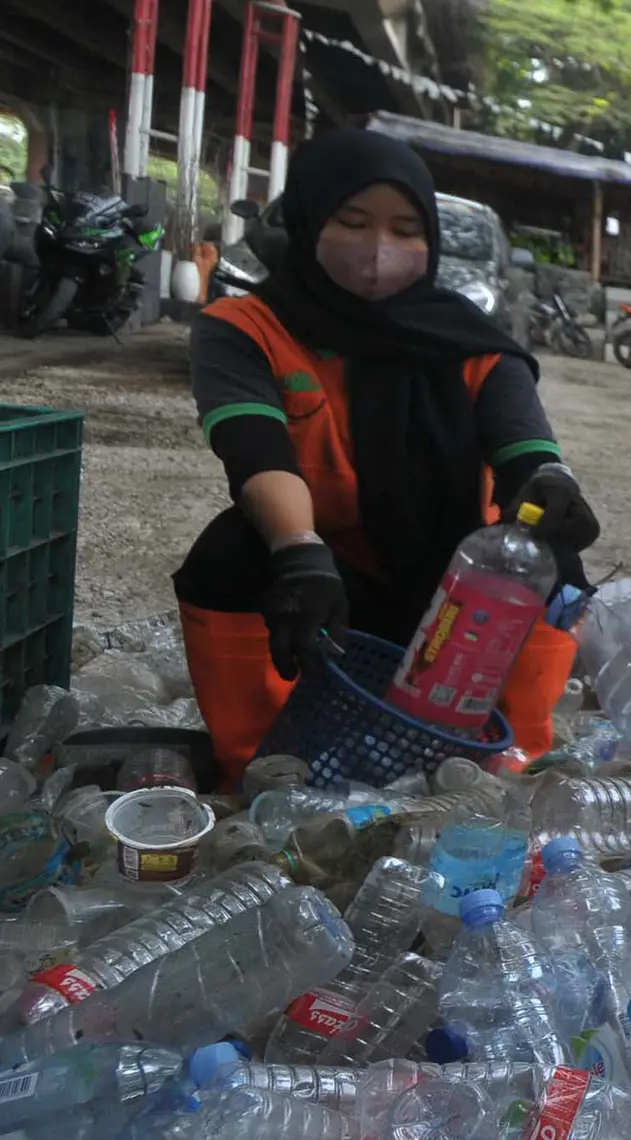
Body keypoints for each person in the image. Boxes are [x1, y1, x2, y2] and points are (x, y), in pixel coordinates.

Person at [178, 129, 598, 782]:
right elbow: (256, 452)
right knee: (230, 552)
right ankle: (261, 770)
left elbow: (523, 443)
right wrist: (297, 549)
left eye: (406, 229)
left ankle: (510, 765)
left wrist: (549, 484)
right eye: (353, 221)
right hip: (329, 594)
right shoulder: (245, 329)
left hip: (459, 597)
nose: (381, 248)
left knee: (552, 559)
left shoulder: (466, 337)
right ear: (309, 218)